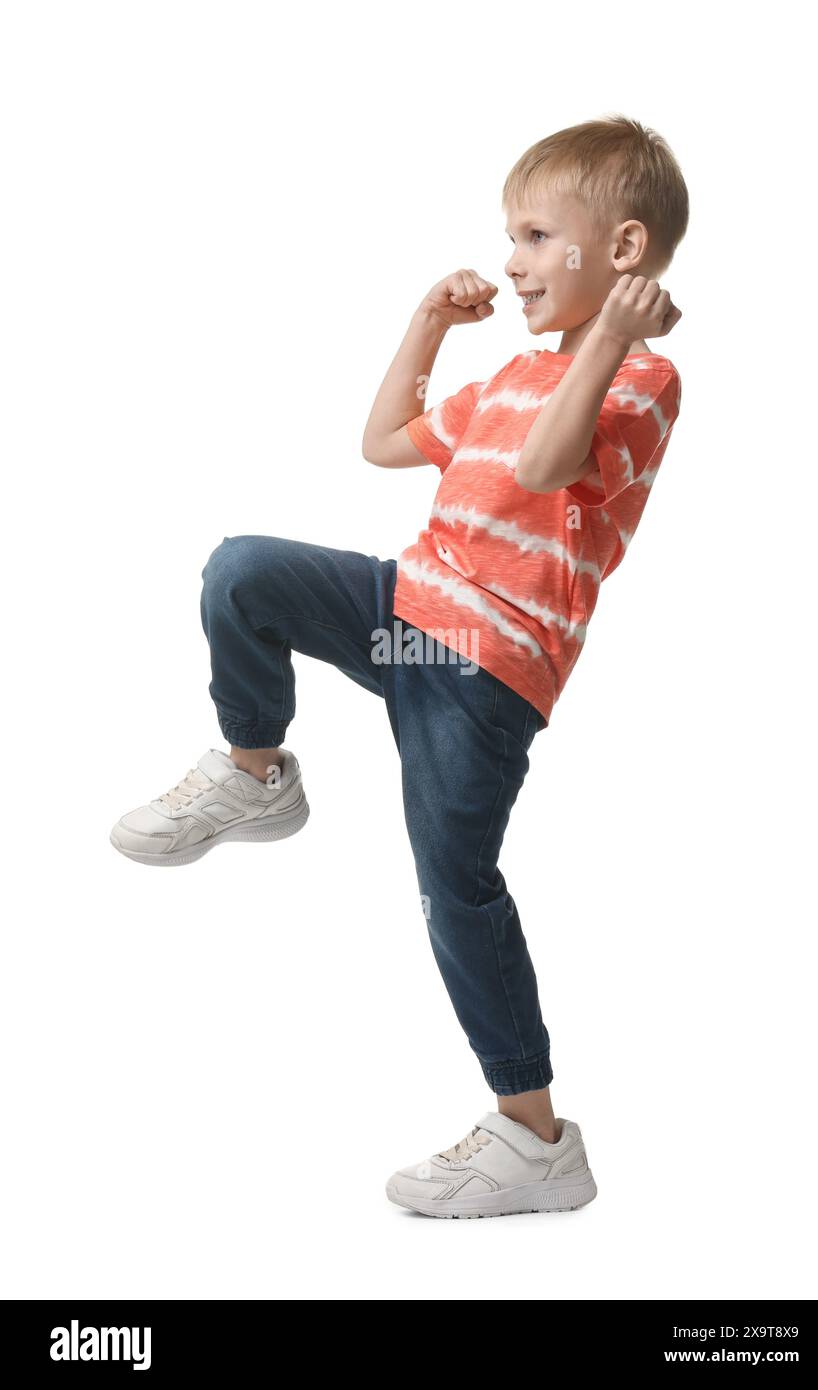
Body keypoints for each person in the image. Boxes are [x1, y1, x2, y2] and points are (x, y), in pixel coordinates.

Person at [110, 114, 687, 1218]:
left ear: (618, 250)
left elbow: (549, 461)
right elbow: (384, 443)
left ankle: (535, 1139)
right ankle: (255, 772)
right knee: (244, 572)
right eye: (505, 237)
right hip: (403, 616)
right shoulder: (515, 370)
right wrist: (426, 322)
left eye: (532, 234)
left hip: (483, 667)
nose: (511, 260)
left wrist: (608, 340)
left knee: (454, 887)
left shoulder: (645, 381)